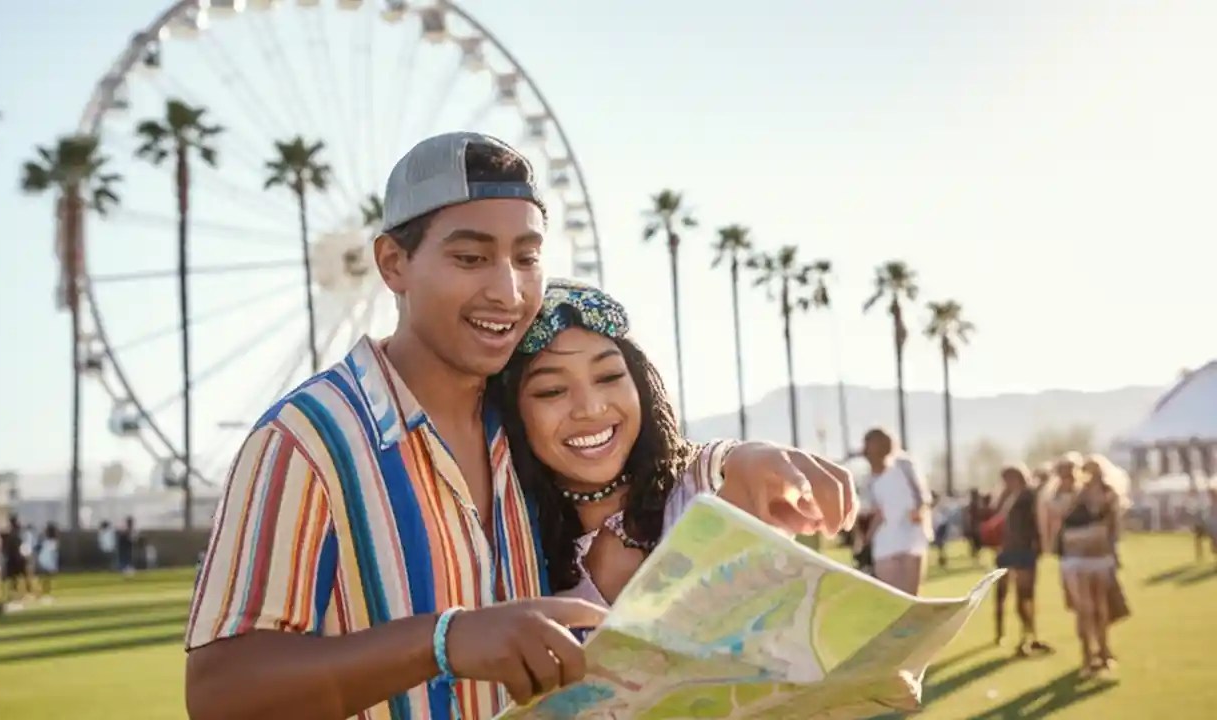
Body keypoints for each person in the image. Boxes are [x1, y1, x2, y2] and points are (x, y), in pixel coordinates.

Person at [183, 132, 859, 720]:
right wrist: (444, 642)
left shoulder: (520, 429)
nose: (508, 292)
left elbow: (634, 472)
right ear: (394, 264)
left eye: (527, 257)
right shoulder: (308, 442)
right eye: (471, 258)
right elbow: (220, 693)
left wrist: (736, 461)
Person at [495, 280, 856, 605]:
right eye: (552, 390)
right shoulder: (505, 544)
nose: (591, 408)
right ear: (511, 413)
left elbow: (725, 466)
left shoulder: (701, 495)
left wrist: (749, 457)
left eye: (609, 376)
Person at [1059, 454, 1129, 678]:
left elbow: (1114, 528)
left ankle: (1103, 652)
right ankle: (1088, 656)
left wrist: (1114, 553)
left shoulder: (1110, 495)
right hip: (1077, 556)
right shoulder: (1075, 494)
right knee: (1085, 609)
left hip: (1098, 556)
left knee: (1100, 607)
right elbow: (1060, 517)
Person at [861, 428, 932, 595]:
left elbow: (922, 496)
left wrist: (919, 512)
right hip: (886, 540)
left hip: (911, 535)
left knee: (911, 597)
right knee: (892, 597)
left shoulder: (903, 465)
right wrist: (866, 541)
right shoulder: (870, 479)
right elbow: (878, 512)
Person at [991, 465, 1053, 656]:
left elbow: (1038, 518)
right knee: (1001, 594)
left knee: (1024, 596)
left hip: (1025, 549)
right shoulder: (1007, 497)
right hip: (1008, 550)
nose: (1007, 482)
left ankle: (1028, 637)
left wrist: (1040, 544)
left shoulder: (1029, 496)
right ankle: (1001, 633)